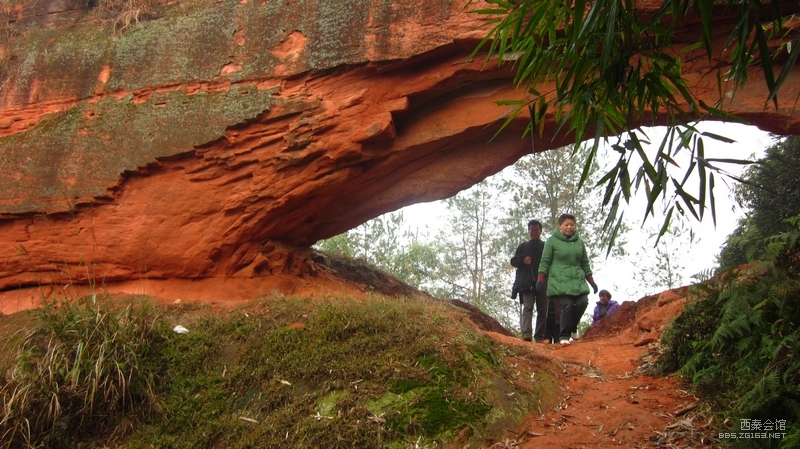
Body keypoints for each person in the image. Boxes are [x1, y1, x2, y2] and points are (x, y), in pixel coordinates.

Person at [536, 213, 598, 344]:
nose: (569, 227)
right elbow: (545, 261)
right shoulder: (551, 241)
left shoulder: (579, 242)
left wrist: (591, 281)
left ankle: (573, 327)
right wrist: (541, 278)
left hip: (577, 278)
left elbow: (584, 263)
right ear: (560, 226)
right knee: (568, 304)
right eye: (566, 225)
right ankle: (563, 336)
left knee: (582, 302)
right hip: (559, 280)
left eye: (572, 225)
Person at [510, 220, 547, 342]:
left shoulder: (545, 246)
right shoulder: (523, 246)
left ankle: (539, 336)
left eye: (537, 229)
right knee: (528, 307)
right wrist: (523, 261)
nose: (534, 232)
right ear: (528, 231)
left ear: (540, 231)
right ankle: (526, 334)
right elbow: (513, 261)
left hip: (543, 282)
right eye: (532, 229)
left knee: (543, 309)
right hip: (527, 282)